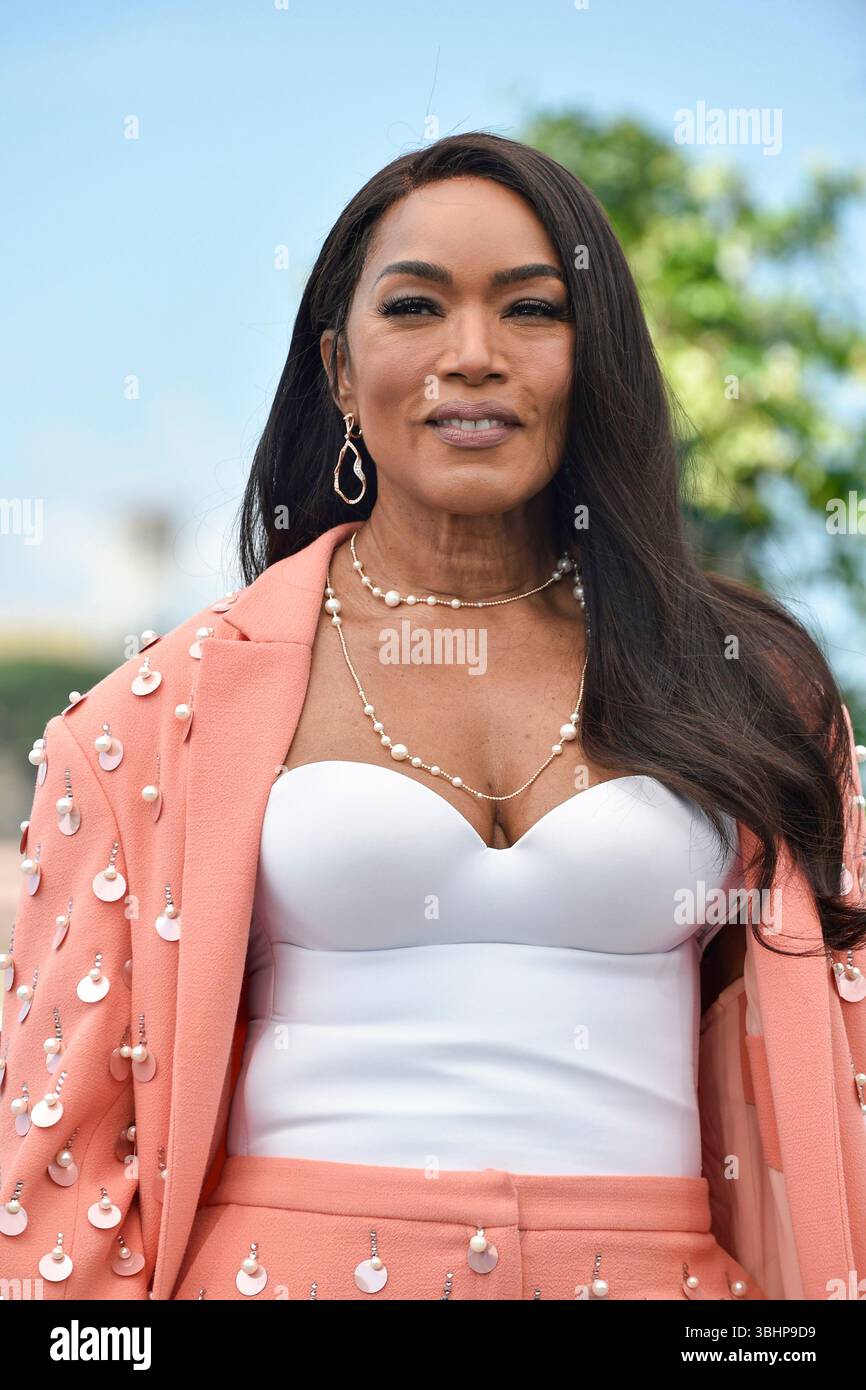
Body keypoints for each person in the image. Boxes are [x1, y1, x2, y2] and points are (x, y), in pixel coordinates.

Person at [2, 133, 865, 1302]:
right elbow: (60, 1170)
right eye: (414, 308)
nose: (471, 357)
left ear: (592, 359)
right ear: (341, 372)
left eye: (530, 311)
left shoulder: (746, 687)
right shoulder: (154, 714)